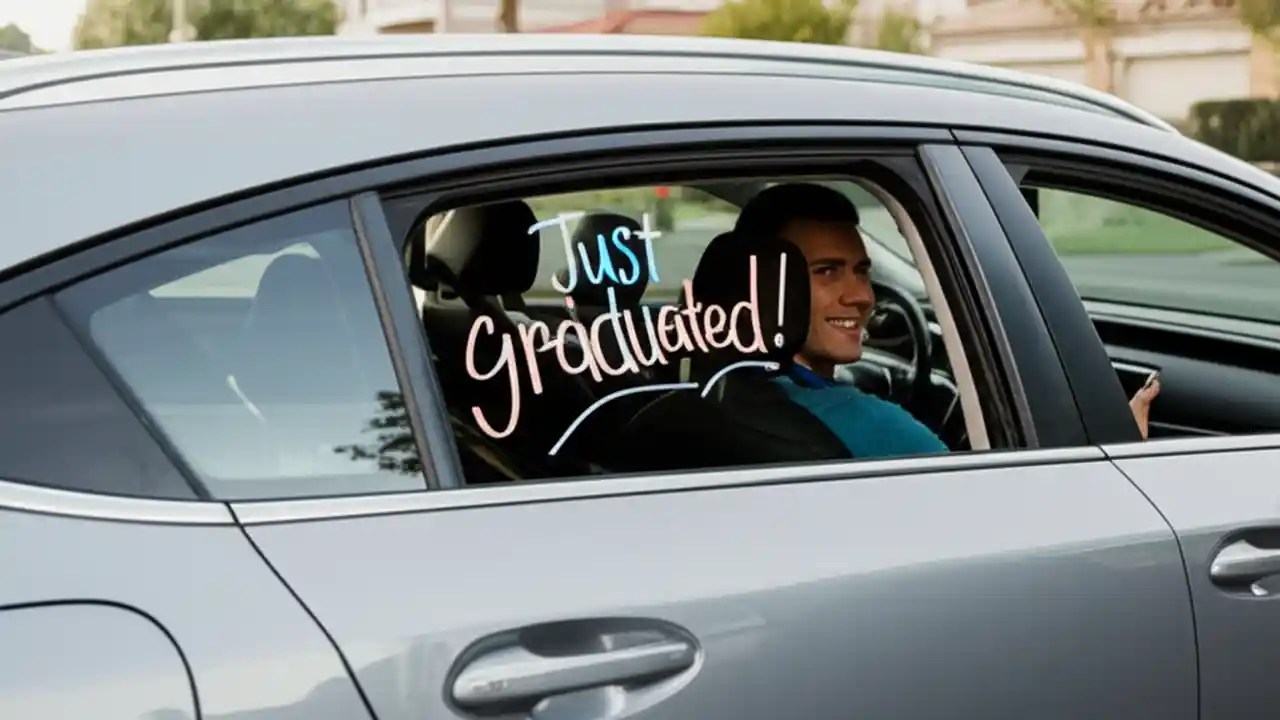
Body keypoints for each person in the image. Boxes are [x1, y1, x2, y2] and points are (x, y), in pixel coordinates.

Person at [734, 182, 1160, 459]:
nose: (862, 297)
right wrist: (1123, 454)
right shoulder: (873, 429)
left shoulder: (718, 399)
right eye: (826, 271)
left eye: (862, 271)